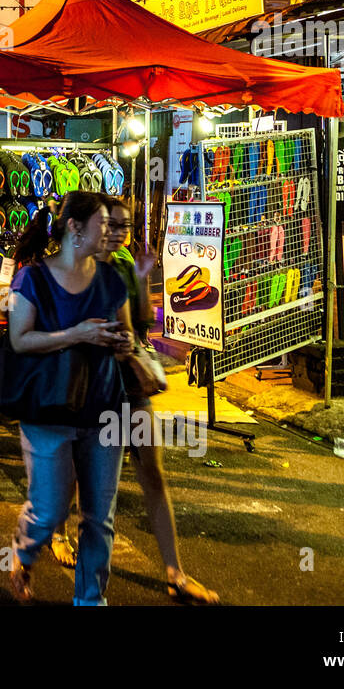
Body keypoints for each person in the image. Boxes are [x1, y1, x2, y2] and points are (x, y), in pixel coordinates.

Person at [6, 191, 135, 606]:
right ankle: (24, 550)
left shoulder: (113, 278)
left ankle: (90, 600)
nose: (111, 232)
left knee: (100, 517)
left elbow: (125, 338)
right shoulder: (33, 278)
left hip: (105, 407)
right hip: (49, 410)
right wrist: (76, 334)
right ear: (76, 228)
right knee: (50, 510)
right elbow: (20, 340)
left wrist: (122, 342)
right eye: (104, 223)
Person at [94, 195, 219, 605]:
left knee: (152, 471)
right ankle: (64, 544)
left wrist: (144, 276)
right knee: (91, 479)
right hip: (95, 386)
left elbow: (143, 322)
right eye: (110, 225)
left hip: (132, 383)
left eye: (124, 226)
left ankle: (175, 572)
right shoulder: (82, 267)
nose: (117, 233)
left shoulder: (127, 263)